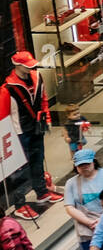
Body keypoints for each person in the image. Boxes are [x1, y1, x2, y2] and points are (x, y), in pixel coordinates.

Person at [5, 50, 60, 219]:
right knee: (20, 170)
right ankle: (19, 204)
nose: (30, 68)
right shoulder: (8, 88)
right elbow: (3, 115)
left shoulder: (37, 77)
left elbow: (43, 100)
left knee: (38, 160)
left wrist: (47, 118)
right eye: (26, 65)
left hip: (37, 127)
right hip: (19, 132)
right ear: (17, 65)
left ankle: (42, 192)